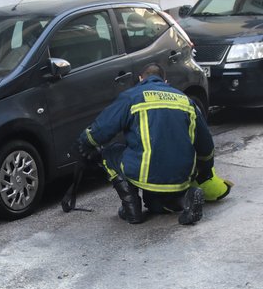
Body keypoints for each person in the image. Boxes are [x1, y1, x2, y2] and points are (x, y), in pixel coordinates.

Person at [78, 64, 227, 225]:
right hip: (182, 175)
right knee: (154, 204)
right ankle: (185, 199)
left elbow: (102, 129)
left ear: (141, 79)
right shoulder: (186, 101)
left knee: (109, 153)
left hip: (146, 171)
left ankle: (132, 209)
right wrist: (204, 171)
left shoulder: (132, 97)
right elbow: (205, 145)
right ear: (166, 81)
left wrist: (84, 142)